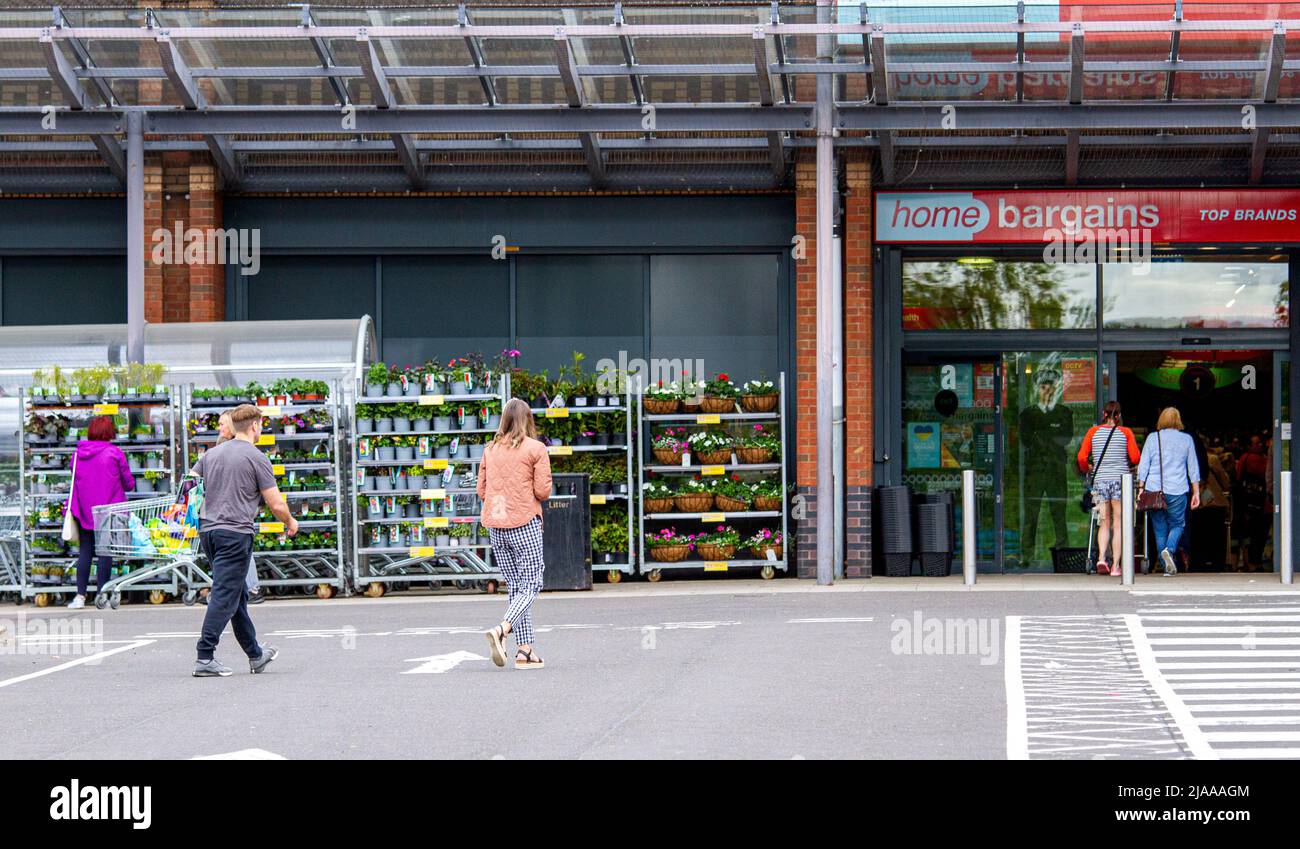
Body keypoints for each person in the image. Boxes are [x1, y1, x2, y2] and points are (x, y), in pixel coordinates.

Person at [190, 404, 296, 677]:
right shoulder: (256, 457)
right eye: (261, 425)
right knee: (225, 593)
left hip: (209, 532)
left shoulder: (210, 455)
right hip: (235, 533)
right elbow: (275, 502)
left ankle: (255, 654)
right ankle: (205, 655)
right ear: (254, 426)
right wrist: (290, 522)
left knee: (236, 594)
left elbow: (188, 488)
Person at [480, 397, 552, 670]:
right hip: (524, 523)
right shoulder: (536, 449)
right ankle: (502, 630)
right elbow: (542, 491)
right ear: (527, 420)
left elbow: (482, 489)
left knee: (516, 588)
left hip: (496, 525)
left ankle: (524, 651)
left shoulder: (490, 449)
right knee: (531, 584)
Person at [66, 416, 135, 609]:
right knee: (105, 552)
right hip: (108, 511)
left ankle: (80, 596)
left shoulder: (78, 454)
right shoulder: (114, 453)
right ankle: (101, 593)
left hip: (84, 510)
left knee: (85, 552)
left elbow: (74, 476)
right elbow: (129, 483)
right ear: (108, 432)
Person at [198, 411, 265, 606]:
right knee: (233, 575)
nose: (219, 428)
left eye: (222, 424)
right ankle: (245, 589)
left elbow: (193, 479)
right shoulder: (233, 448)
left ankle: (249, 588)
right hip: (231, 520)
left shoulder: (222, 450)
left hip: (221, 520)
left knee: (234, 572)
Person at [1076, 401, 1140, 576]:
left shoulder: (1093, 432)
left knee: (1104, 521)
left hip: (1100, 481)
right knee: (1118, 524)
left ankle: (1101, 559)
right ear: (1118, 416)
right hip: (1120, 481)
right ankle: (1116, 566)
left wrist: (1088, 468)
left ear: (1104, 414)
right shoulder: (1125, 432)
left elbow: (1082, 457)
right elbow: (1135, 458)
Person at [1137, 406, 1201, 577]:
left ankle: (1167, 566)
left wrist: (1141, 488)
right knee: (1178, 524)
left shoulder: (1152, 438)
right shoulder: (1186, 439)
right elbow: (1193, 467)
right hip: (1178, 489)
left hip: (1154, 490)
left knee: (1159, 529)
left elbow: (1144, 465)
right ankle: (1169, 549)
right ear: (1178, 420)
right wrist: (1196, 492)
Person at [1018, 367, 1073, 564]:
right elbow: (1025, 440)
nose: (1047, 391)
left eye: (1050, 387)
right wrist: (1049, 436)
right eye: (1043, 387)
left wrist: (1041, 436)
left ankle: (1063, 556)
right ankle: (1027, 556)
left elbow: (1065, 438)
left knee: (1059, 513)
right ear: (1037, 389)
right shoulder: (1028, 414)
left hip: (1056, 469)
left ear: (1056, 388)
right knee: (1031, 515)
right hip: (1035, 471)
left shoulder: (1064, 413)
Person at [1235, 434, 1270, 572]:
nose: (1260, 445)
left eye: (1260, 443)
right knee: (1253, 533)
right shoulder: (1247, 458)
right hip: (1252, 501)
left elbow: (1238, 477)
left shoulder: (1263, 459)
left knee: (1257, 532)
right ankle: (1251, 562)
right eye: (1256, 443)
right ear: (1249, 446)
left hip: (1259, 501)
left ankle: (1253, 561)